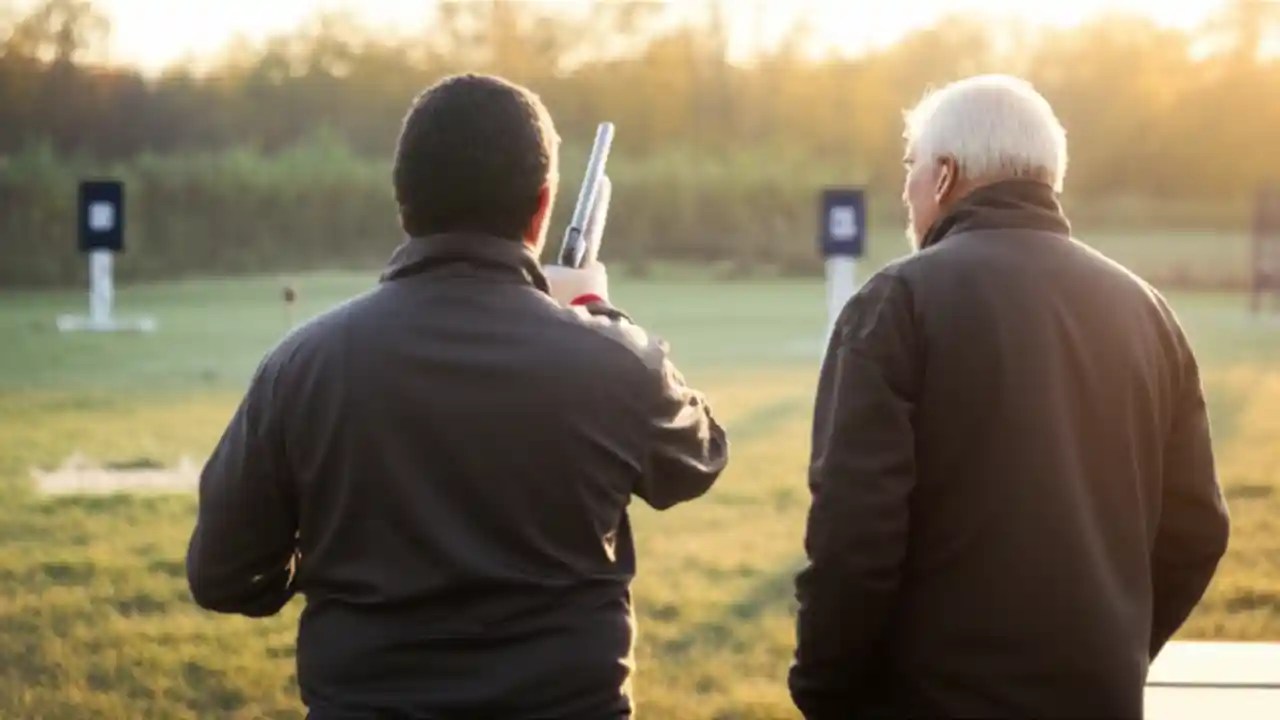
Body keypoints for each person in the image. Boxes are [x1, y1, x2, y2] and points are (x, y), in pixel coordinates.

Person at [186, 73, 729, 719]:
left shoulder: (300, 365)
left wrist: (334, 570)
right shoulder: (611, 362)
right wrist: (594, 309)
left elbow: (225, 575)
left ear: (403, 202)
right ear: (541, 206)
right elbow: (698, 459)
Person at [789, 74, 1230, 718]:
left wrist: (827, 691)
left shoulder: (897, 304)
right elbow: (1197, 529)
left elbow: (854, 533)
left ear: (943, 175)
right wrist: (1112, 649)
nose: (905, 192)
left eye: (911, 169)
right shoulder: (1146, 309)